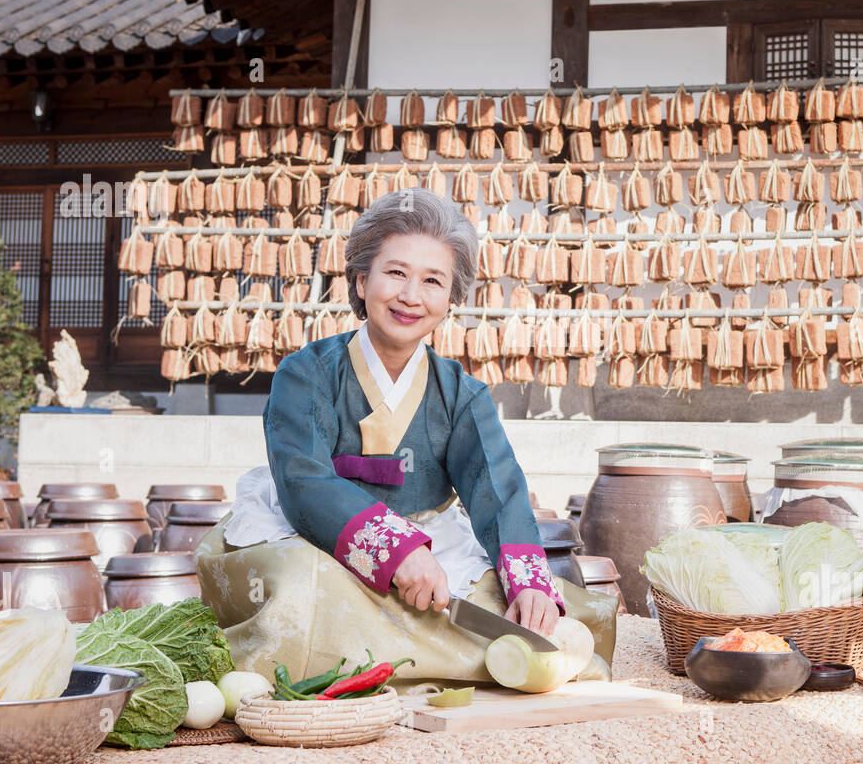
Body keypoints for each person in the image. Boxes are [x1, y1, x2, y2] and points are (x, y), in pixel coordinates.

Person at [195, 188, 615, 686]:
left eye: (432, 280)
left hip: (434, 550)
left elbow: (497, 491)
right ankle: (435, 659)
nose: (411, 296)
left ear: (450, 298)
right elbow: (303, 480)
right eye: (395, 272)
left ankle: (371, 655)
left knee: (544, 618)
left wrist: (528, 583)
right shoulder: (305, 374)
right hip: (313, 540)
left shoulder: (462, 394)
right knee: (301, 590)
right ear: (361, 278)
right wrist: (396, 551)